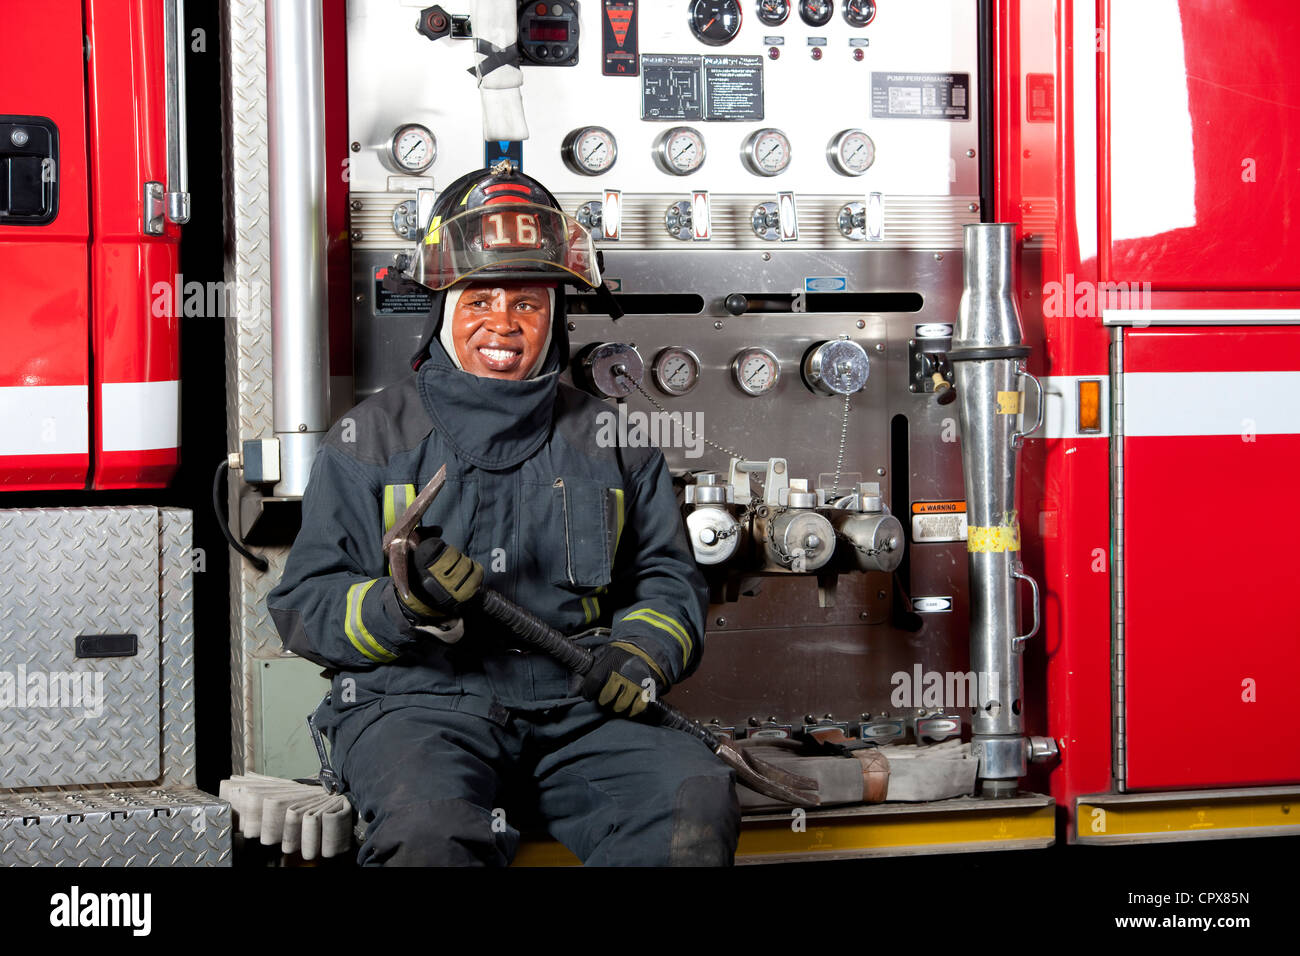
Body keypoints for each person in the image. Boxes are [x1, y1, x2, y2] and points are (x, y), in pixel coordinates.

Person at [267, 162, 740, 866]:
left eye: (527, 303)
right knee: (430, 833)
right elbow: (304, 606)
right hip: (418, 702)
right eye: (480, 299)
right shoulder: (374, 437)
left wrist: (639, 655)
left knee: (691, 801)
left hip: (579, 707)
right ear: (444, 310)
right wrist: (401, 608)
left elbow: (668, 580)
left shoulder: (611, 440)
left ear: (555, 316)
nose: (503, 324)